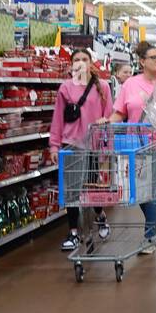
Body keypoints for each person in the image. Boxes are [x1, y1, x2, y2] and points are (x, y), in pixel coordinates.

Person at [108, 41, 156, 254]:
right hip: (135, 147)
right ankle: (152, 229)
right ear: (142, 61)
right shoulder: (129, 85)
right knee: (137, 192)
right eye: (154, 58)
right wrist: (107, 122)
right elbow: (119, 113)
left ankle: (150, 235)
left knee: (154, 192)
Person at [49, 49, 113, 251]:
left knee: (93, 189)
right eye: (76, 59)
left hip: (94, 145)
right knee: (73, 191)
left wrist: (106, 146)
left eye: (84, 59)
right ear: (71, 64)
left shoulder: (102, 86)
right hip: (73, 144)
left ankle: (100, 215)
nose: (80, 62)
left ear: (91, 62)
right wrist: (54, 145)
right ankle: (74, 232)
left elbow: (109, 116)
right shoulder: (65, 88)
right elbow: (57, 118)